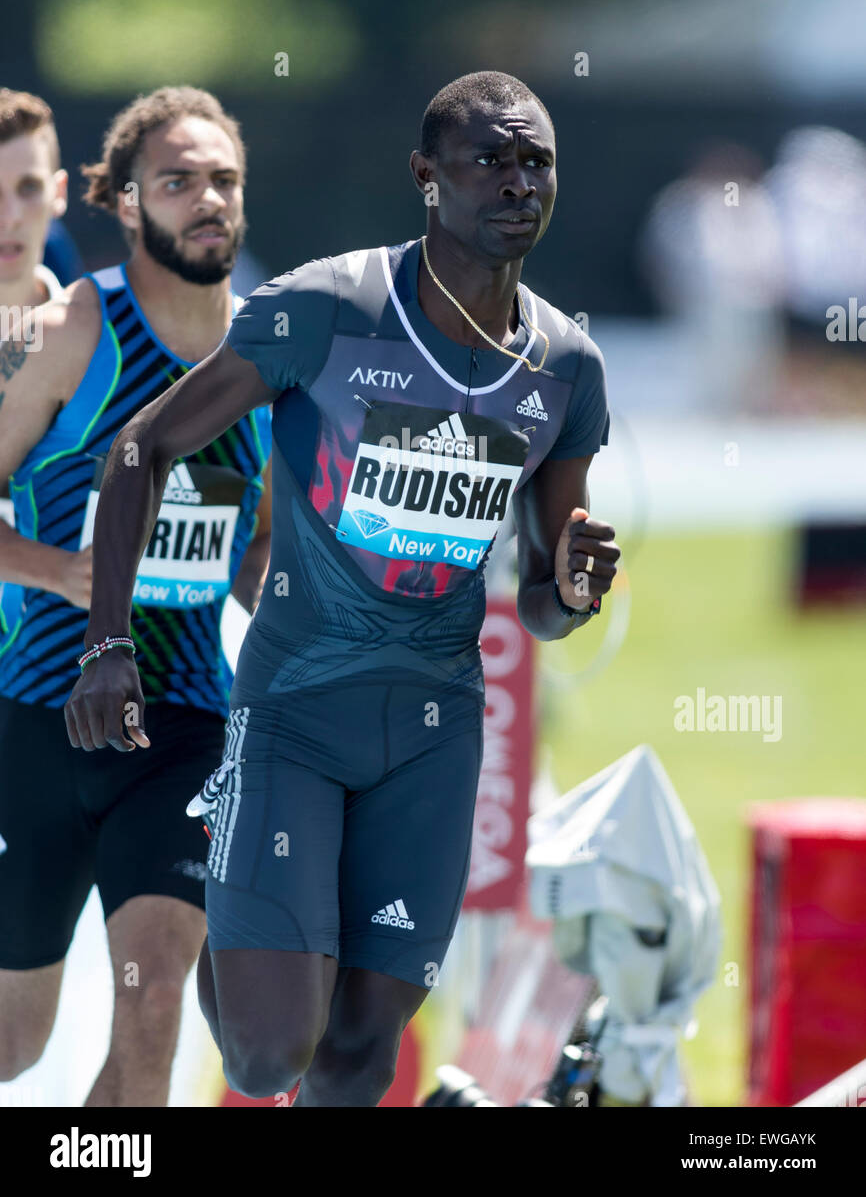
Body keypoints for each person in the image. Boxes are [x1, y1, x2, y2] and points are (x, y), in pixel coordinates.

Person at [64, 70, 620, 1107]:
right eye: (488, 160)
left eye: (534, 161)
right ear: (425, 176)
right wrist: (108, 644)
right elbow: (139, 451)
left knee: (358, 1062)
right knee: (270, 1054)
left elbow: (542, 602)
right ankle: (234, 848)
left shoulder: (565, 367)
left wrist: (574, 588)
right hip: (296, 713)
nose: (516, 182)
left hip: (435, 729)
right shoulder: (325, 309)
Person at [0, 86, 272, 1106]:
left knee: (154, 999)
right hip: (39, 714)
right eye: (177, 182)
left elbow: (260, 552)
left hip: (190, 724)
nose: (206, 200)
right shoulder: (75, 331)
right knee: (16, 1040)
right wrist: (59, 572)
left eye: (223, 180)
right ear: (124, 203)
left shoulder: (266, 352)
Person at [0, 90, 67, 656]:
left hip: (59, 682)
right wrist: (63, 573)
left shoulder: (108, 346)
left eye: (28, 188)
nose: (9, 217)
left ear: (59, 193)